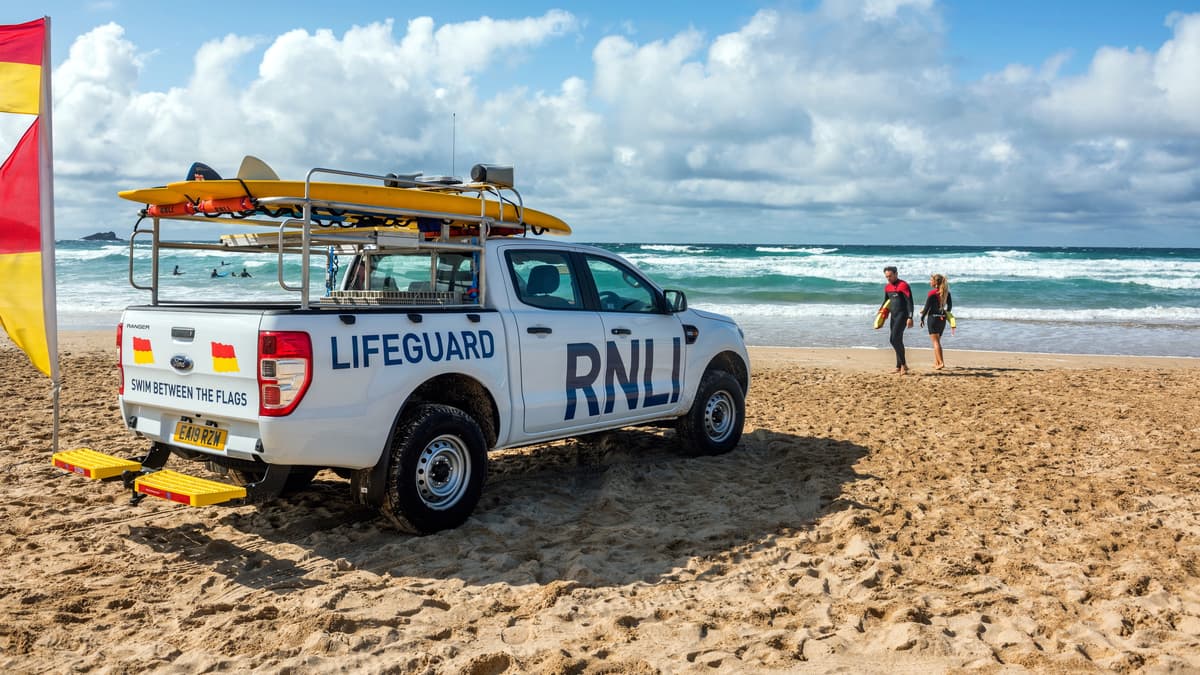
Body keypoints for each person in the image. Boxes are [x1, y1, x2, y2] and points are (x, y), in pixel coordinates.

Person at [881, 266, 914, 374]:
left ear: (896, 274)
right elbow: (886, 302)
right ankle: (898, 366)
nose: (888, 278)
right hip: (893, 316)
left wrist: (910, 317)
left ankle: (904, 365)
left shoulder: (903, 285)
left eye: (890, 276)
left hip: (902, 316)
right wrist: (881, 313)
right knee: (898, 340)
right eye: (887, 277)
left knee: (893, 339)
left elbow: (910, 302)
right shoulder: (887, 287)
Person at [919, 274, 953, 370]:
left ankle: (941, 362)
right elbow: (949, 307)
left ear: (935, 282)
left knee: (935, 342)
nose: (930, 282)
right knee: (937, 342)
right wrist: (944, 314)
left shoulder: (932, 293)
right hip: (942, 319)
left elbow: (927, 308)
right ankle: (937, 362)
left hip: (933, 319)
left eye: (931, 280)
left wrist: (922, 318)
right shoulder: (947, 293)